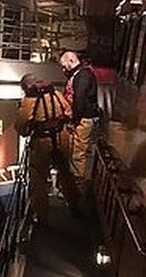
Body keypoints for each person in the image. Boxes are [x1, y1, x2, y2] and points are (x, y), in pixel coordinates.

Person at [14, 74, 81, 226]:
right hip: (61, 138)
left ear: (26, 87)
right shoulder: (55, 93)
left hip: (41, 142)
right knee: (66, 173)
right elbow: (68, 112)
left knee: (38, 178)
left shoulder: (29, 101)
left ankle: (42, 217)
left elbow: (21, 127)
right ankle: (75, 206)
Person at [60, 51, 102, 195]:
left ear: (71, 61)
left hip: (83, 119)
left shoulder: (82, 76)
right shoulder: (81, 75)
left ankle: (79, 186)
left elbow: (80, 99)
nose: (63, 69)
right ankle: (77, 183)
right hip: (82, 118)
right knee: (76, 151)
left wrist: (74, 120)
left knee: (78, 152)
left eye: (64, 66)